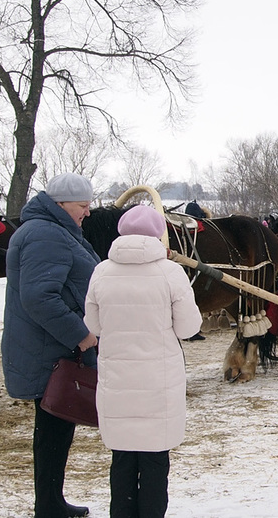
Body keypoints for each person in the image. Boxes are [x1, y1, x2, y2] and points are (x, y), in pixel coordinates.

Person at [83, 205, 203, 517]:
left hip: (117, 381)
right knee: (154, 463)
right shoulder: (170, 272)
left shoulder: (101, 271)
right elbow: (189, 328)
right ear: (158, 233)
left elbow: (93, 326)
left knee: (122, 460)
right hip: (158, 383)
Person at [1, 172, 99, 518]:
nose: (87, 212)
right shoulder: (47, 234)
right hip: (50, 350)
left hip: (48, 347)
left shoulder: (53, 230)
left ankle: (50, 501)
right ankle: (48, 505)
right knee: (54, 428)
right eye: (82, 206)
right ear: (61, 204)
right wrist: (82, 334)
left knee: (55, 428)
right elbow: (41, 297)